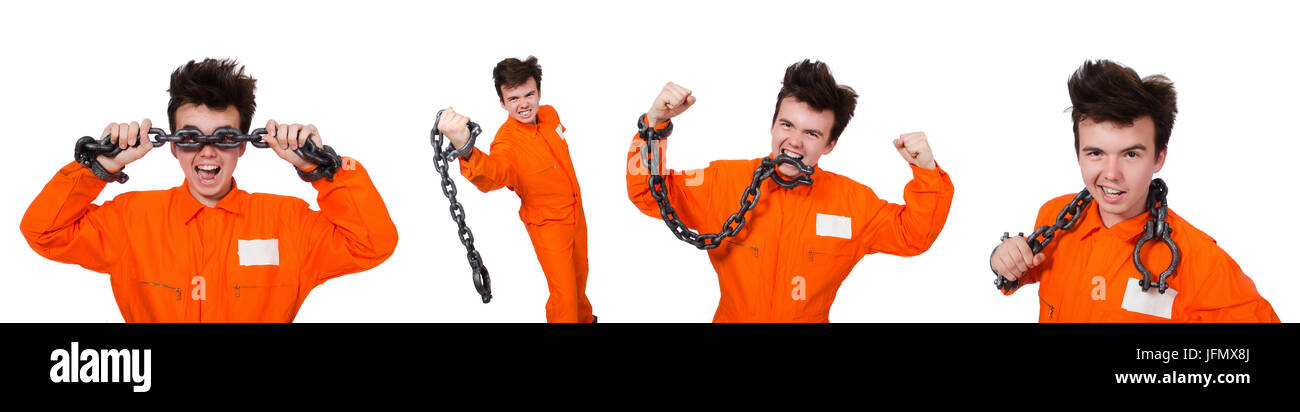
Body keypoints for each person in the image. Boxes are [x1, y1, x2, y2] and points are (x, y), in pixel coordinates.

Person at [20, 58, 398, 322]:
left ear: (243, 144)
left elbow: (372, 244)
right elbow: (43, 232)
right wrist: (99, 166)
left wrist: (321, 168)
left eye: (224, 137)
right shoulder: (130, 220)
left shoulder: (289, 224)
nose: (207, 152)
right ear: (172, 144)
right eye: (189, 138)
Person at [626, 60, 954, 322]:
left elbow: (912, 234)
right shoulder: (721, 181)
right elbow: (648, 193)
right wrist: (653, 125)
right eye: (787, 125)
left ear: (830, 144)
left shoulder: (853, 203)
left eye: (812, 133)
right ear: (772, 125)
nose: (794, 141)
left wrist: (926, 172)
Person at [988, 59, 1278, 322]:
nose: (1111, 174)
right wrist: (1002, 257)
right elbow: (1016, 271)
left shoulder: (1200, 262)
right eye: (1096, 153)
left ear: (1158, 158)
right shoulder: (1054, 217)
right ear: (1078, 154)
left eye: (1130, 155)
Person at [436, 56, 595, 323]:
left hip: (577, 212)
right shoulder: (507, 143)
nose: (523, 104)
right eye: (513, 98)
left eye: (529, 94)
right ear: (502, 102)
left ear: (539, 92)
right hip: (548, 224)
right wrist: (465, 148)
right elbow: (493, 175)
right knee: (564, 293)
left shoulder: (550, 114)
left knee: (580, 280)